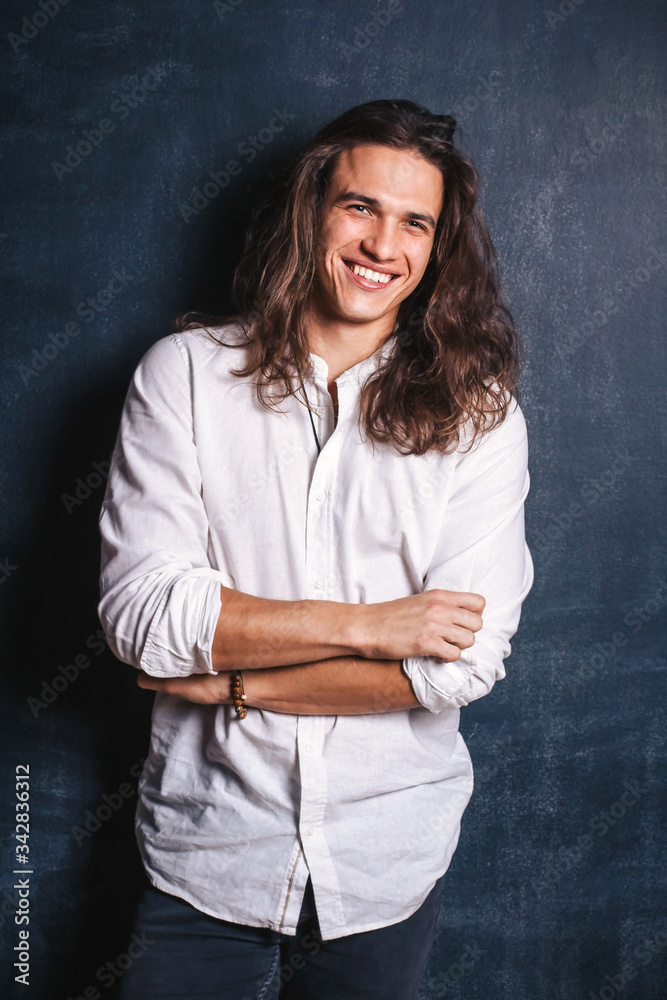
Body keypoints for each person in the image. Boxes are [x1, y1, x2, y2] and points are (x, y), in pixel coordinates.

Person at [97, 98, 533, 1000]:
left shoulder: (480, 416)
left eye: (415, 221)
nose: (383, 244)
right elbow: (145, 619)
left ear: (438, 247)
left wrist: (236, 683)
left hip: (387, 862)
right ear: (310, 212)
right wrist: (375, 628)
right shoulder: (183, 375)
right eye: (359, 207)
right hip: (206, 849)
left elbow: (464, 663)